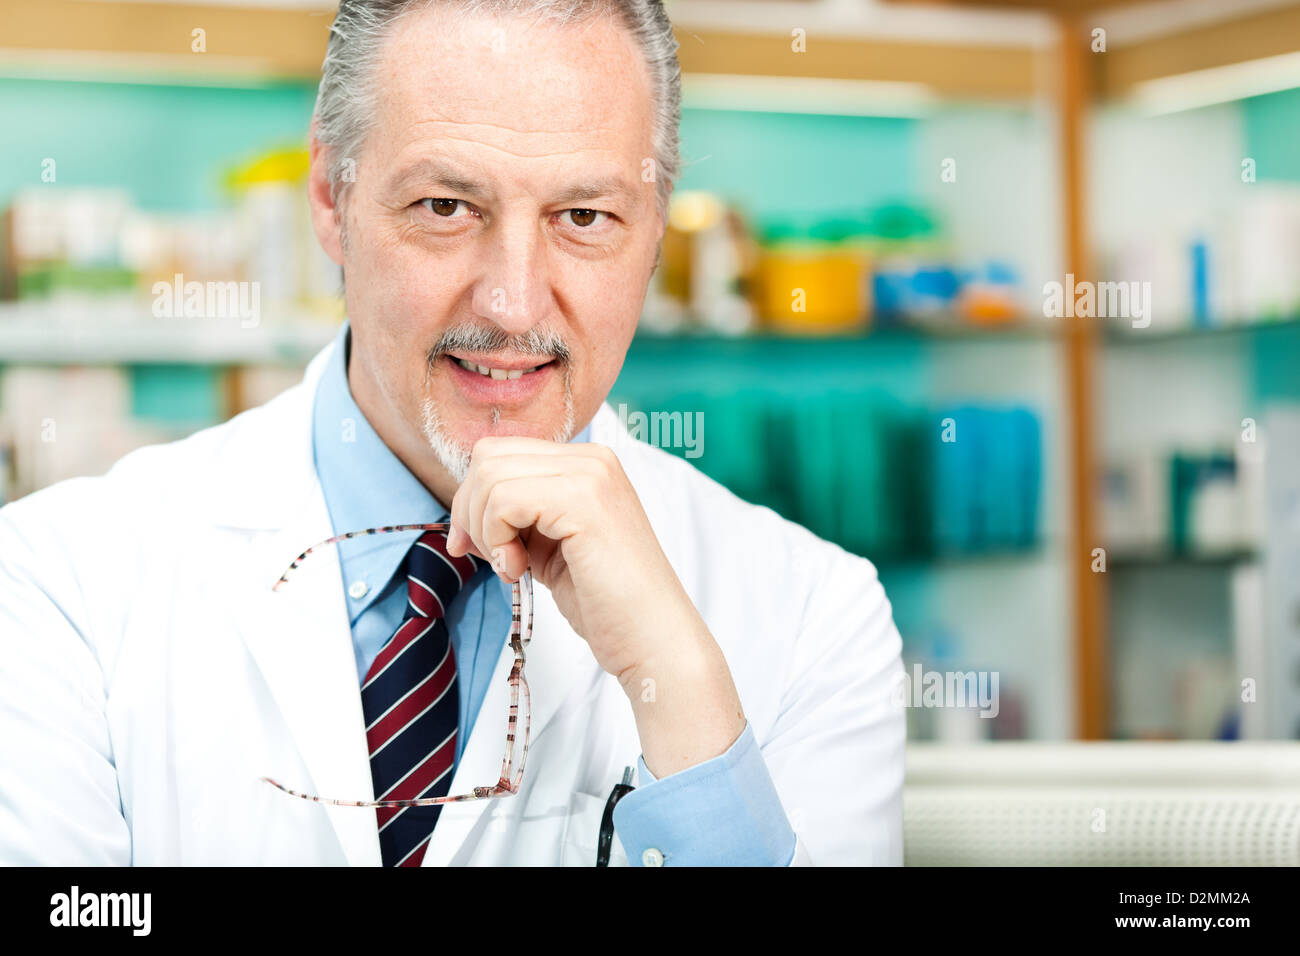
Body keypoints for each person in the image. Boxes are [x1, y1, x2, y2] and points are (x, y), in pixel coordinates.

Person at [0, 0, 904, 866]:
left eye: (582, 217)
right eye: (446, 207)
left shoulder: (814, 620)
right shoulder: (61, 583)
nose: (512, 304)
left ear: (657, 228)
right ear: (330, 196)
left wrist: (681, 701)